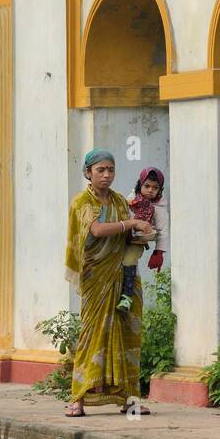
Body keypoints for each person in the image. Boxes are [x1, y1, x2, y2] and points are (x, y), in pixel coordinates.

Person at [63, 149, 150, 418]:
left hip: (124, 277)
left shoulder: (120, 202)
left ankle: (130, 400)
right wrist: (131, 223)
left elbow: (125, 235)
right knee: (92, 335)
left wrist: (143, 235)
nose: (106, 175)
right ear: (88, 173)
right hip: (96, 277)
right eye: (101, 170)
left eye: (110, 170)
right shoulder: (82, 202)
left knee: (127, 336)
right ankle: (77, 398)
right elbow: (97, 230)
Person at [118, 166, 169, 312]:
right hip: (120, 237)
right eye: (146, 186)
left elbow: (163, 232)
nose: (150, 190)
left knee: (129, 261)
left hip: (137, 242)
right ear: (140, 184)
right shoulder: (131, 200)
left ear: (160, 189)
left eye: (155, 187)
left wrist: (158, 253)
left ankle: (126, 297)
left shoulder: (159, 208)